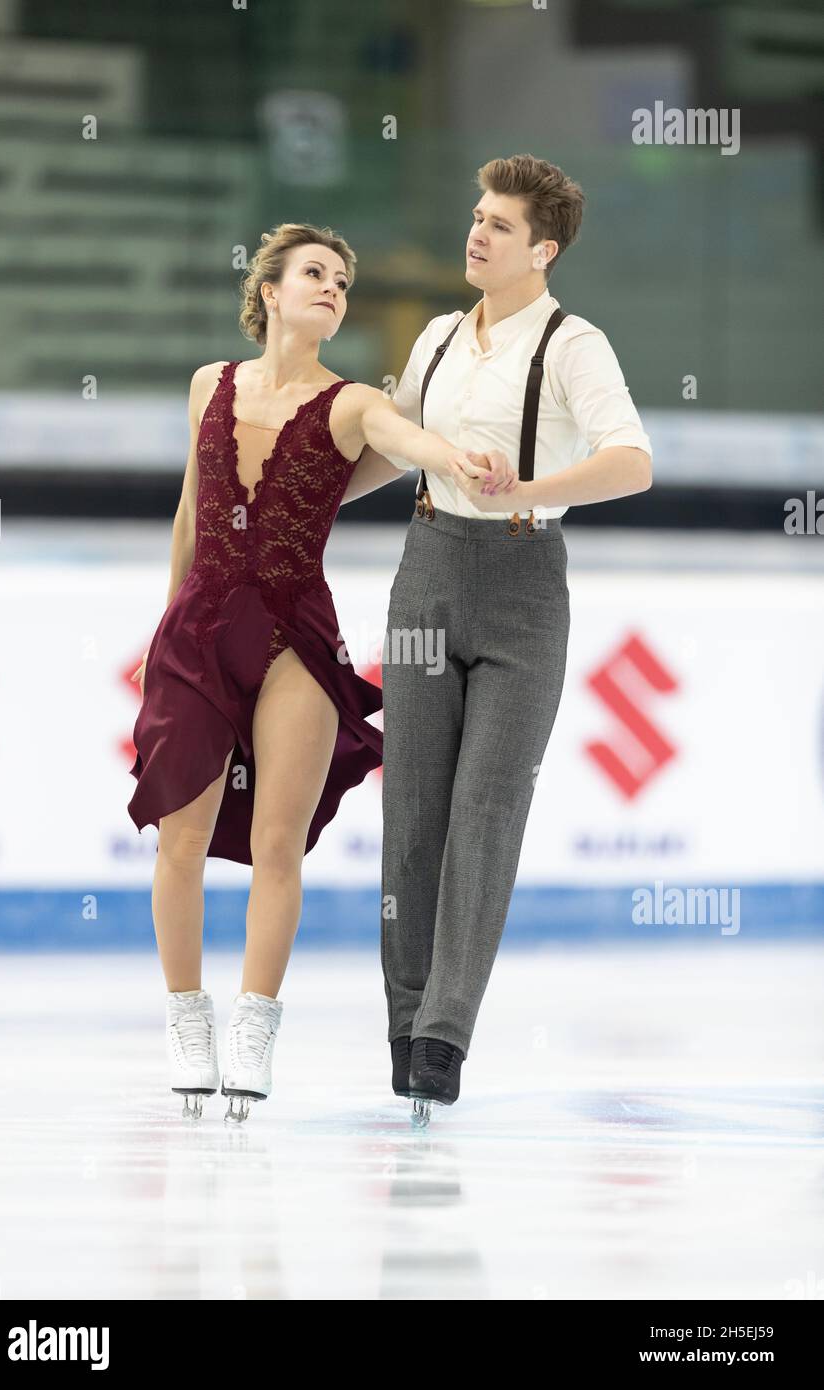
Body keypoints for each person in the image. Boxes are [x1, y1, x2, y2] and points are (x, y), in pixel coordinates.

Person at [126, 222, 512, 1121]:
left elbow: (405, 438)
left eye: (342, 279)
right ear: (268, 292)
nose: (333, 288)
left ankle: (256, 1023)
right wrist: (166, 620)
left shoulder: (351, 403)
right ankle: (188, 1016)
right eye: (315, 273)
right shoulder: (208, 385)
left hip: (295, 635)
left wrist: (455, 458)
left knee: (276, 844)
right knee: (179, 839)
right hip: (198, 625)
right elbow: (191, 507)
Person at [341, 154, 653, 1121]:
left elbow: (632, 463)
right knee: (416, 814)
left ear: (543, 249)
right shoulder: (437, 335)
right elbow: (400, 451)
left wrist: (534, 489)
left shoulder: (574, 343)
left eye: (500, 226)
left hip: (522, 587)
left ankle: (444, 1034)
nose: (477, 234)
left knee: (487, 813)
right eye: (477, 216)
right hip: (427, 577)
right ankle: (405, 1023)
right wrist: (299, 512)